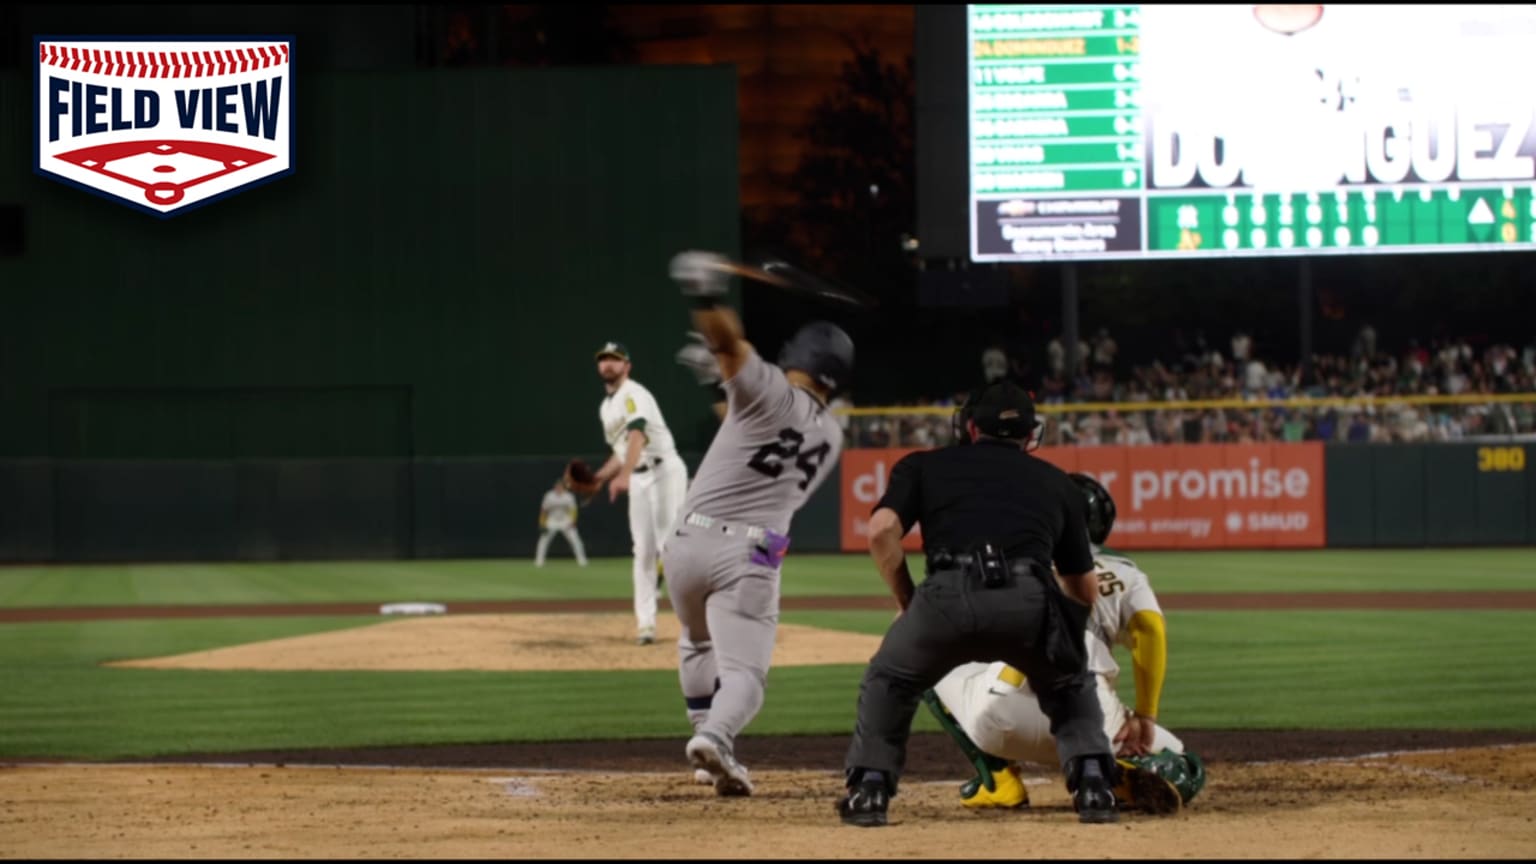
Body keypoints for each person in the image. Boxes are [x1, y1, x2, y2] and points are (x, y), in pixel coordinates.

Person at [837, 381, 1120, 827]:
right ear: (1031, 434)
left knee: (889, 679)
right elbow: (1083, 589)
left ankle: (870, 789)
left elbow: (880, 531)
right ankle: (1093, 786)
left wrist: (909, 601)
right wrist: (1063, 640)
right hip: (1030, 597)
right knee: (1069, 684)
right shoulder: (1057, 483)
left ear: (969, 426)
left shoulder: (923, 466)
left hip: (947, 593)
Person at [662, 250, 853, 798]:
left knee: (696, 645)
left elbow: (727, 343)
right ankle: (717, 737)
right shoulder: (833, 435)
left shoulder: (766, 389)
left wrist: (705, 295)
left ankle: (706, 743)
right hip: (751, 554)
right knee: (745, 672)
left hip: (685, 543)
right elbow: (752, 425)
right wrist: (717, 378)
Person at [924, 473, 1206, 815]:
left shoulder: (1008, 561)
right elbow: (1151, 632)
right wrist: (1144, 716)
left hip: (1003, 717)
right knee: (1183, 761)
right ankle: (1117, 772)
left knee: (928, 653)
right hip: (1095, 722)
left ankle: (998, 781)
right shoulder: (1124, 571)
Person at [589, 340, 689, 646]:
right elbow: (621, 452)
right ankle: (646, 625)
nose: (608, 364)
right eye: (604, 359)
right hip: (640, 478)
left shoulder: (634, 393)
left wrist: (623, 475)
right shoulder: (605, 407)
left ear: (626, 366)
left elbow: (637, 435)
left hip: (665, 472)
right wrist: (599, 479)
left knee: (668, 549)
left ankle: (697, 622)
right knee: (642, 552)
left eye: (615, 359)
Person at [534, 478, 588, 567]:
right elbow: (544, 510)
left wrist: (573, 521)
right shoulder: (549, 496)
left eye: (560, 487)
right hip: (552, 520)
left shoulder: (569, 496)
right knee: (543, 541)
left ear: (564, 487)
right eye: (557, 486)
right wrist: (542, 522)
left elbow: (573, 510)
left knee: (575, 540)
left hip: (565, 520)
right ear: (554, 487)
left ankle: (582, 561)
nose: (558, 488)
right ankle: (539, 561)